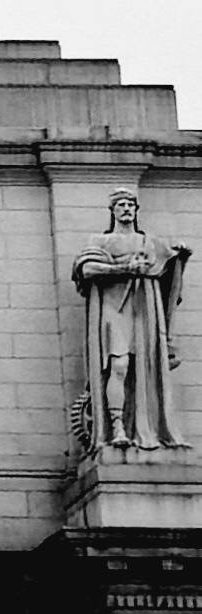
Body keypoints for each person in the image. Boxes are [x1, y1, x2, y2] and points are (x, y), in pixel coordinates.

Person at [75, 191, 189, 454]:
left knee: (146, 369)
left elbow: (168, 274)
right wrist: (124, 269)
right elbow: (86, 270)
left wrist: (179, 258)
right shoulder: (100, 241)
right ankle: (117, 427)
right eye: (121, 205)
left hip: (143, 310)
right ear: (112, 210)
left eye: (130, 205)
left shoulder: (149, 243)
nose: (126, 209)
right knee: (119, 365)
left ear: (136, 210)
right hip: (114, 311)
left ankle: (147, 427)